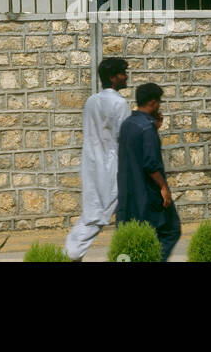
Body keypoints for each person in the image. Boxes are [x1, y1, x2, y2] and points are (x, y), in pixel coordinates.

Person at [63, 56, 130, 261]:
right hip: (114, 166)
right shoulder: (120, 104)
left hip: (92, 164)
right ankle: (71, 253)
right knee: (99, 214)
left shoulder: (92, 101)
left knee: (95, 210)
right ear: (112, 78)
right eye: (122, 73)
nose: (125, 77)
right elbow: (125, 139)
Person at [116, 82, 181, 262]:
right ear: (153, 103)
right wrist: (163, 187)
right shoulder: (146, 128)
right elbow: (150, 164)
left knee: (135, 236)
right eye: (158, 102)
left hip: (129, 194)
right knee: (171, 230)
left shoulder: (128, 124)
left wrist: (154, 126)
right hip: (148, 193)